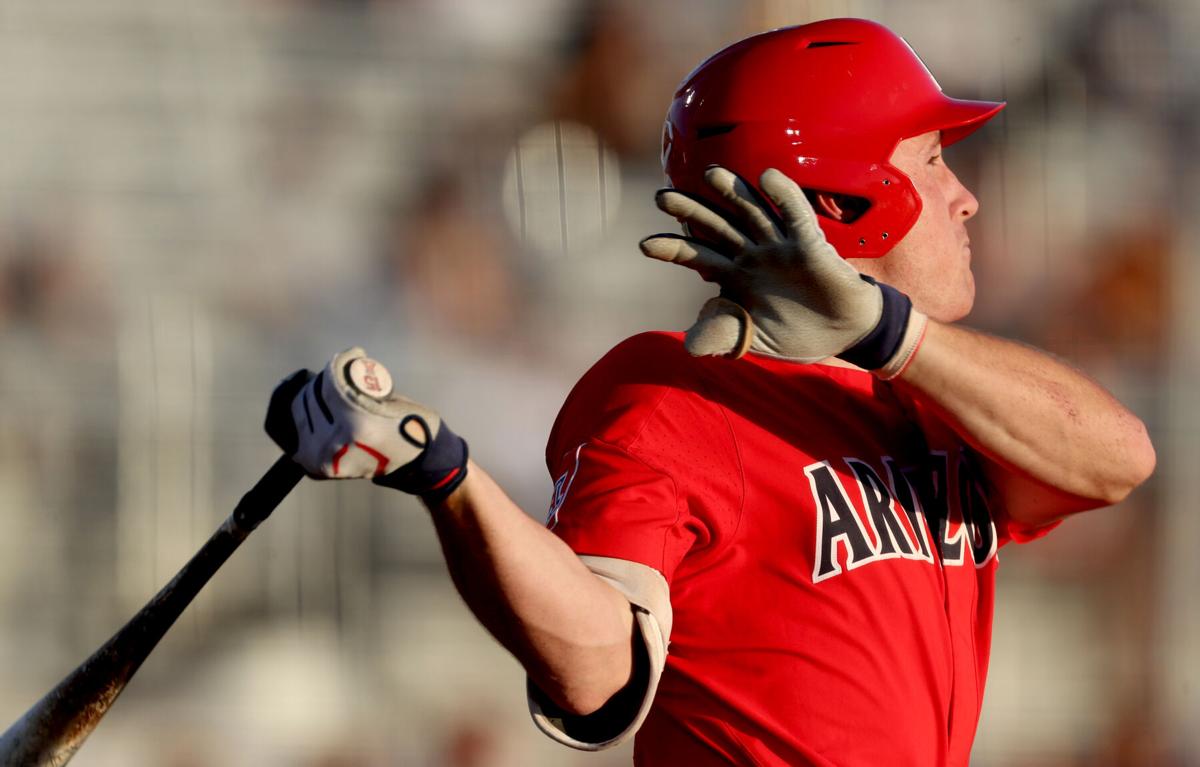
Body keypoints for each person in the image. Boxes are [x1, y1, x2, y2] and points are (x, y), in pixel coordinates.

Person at [263, 18, 1156, 767]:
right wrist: (447, 476)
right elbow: (601, 672)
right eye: (930, 161)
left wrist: (890, 334)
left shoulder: (932, 387)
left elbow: (1118, 459)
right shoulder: (674, 393)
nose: (965, 199)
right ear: (845, 199)